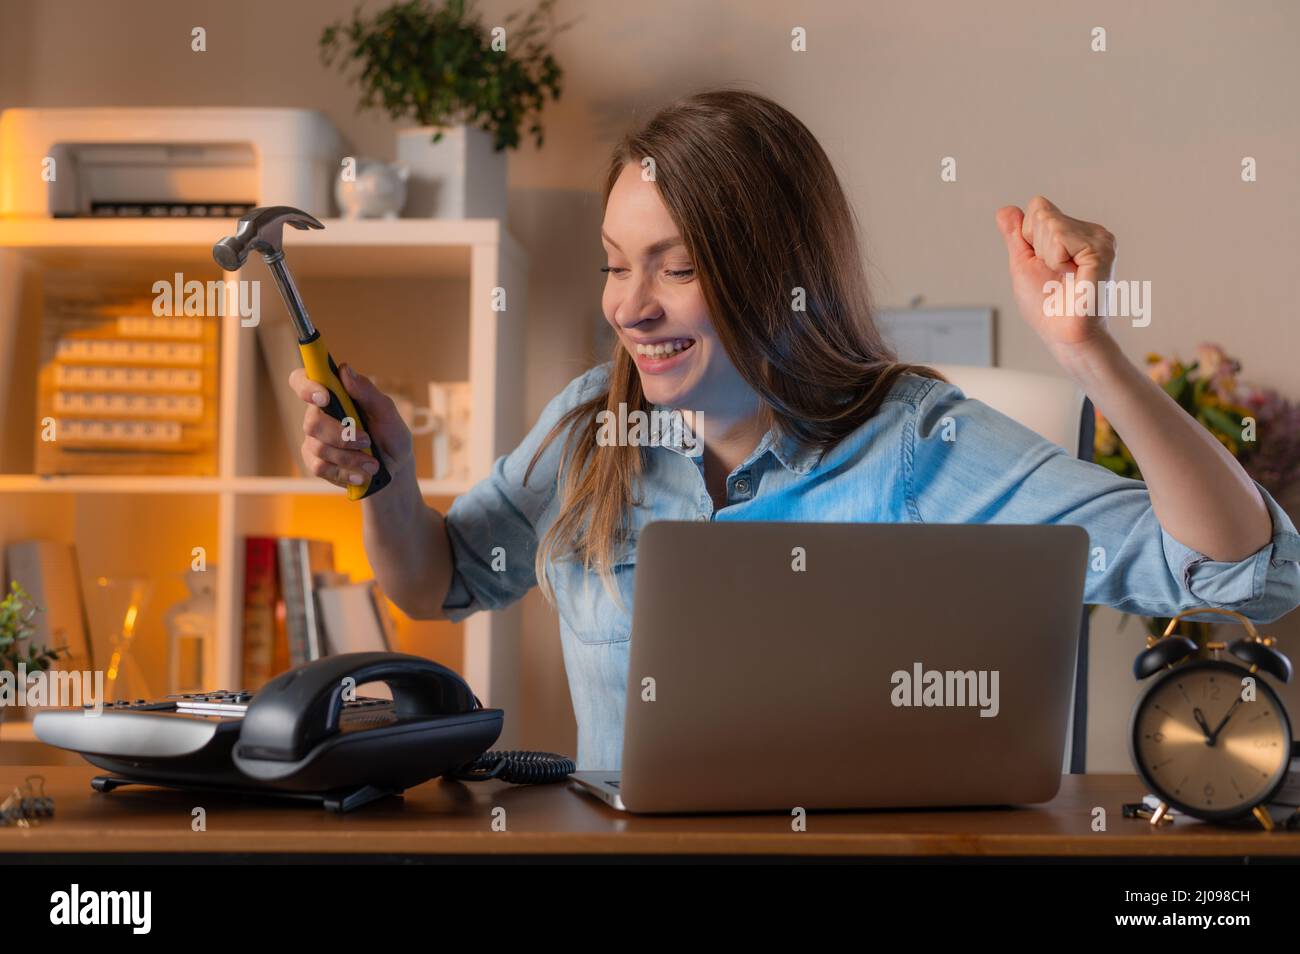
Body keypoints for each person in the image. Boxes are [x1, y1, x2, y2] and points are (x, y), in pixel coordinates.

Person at [288, 89, 1300, 770]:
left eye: (675, 268)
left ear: (780, 279)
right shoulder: (587, 435)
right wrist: (384, 476)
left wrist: (1090, 355)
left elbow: (1240, 573)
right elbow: (436, 581)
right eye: (613, 262)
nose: (628, 306)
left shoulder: (916, 447)